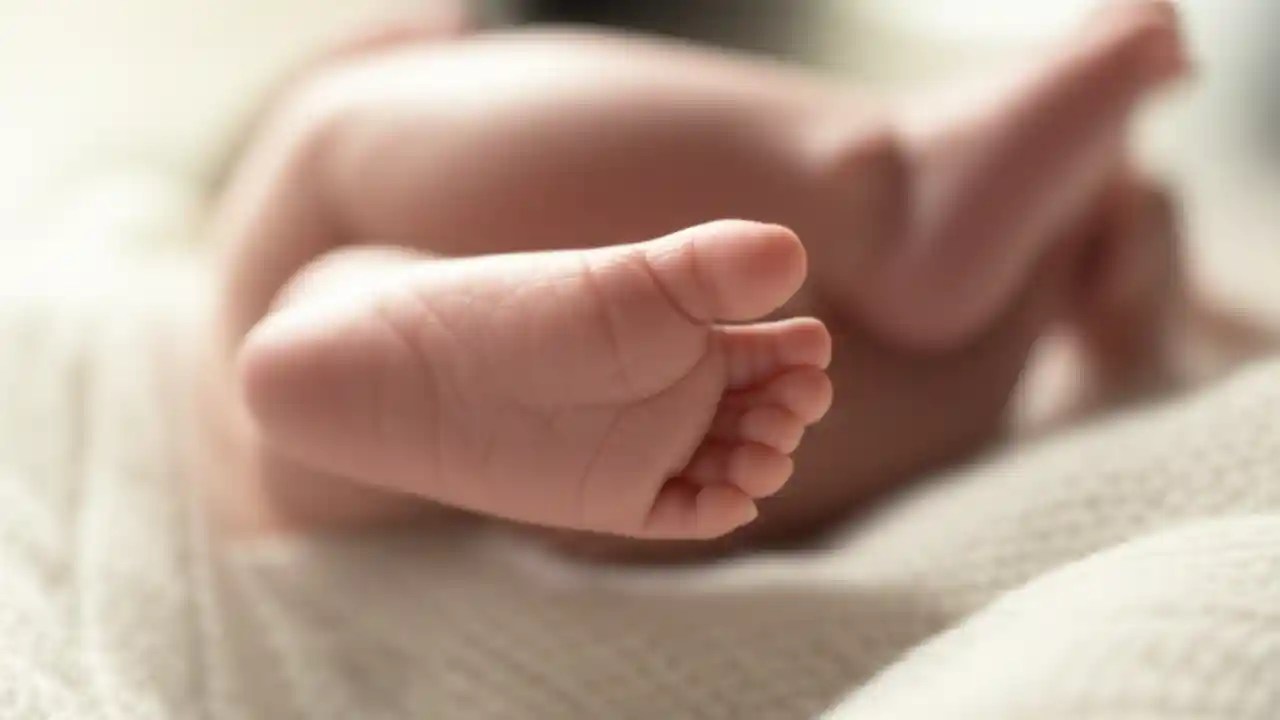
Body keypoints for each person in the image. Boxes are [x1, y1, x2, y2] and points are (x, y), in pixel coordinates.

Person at [204, 0, 1188, 553]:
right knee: (898, 307)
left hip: (433, 486)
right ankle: (901, 191)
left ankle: (355, 314)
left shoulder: (246, 273)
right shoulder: (362, 92)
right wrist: (1120, 322)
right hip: (772, 442)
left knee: (317, 463)